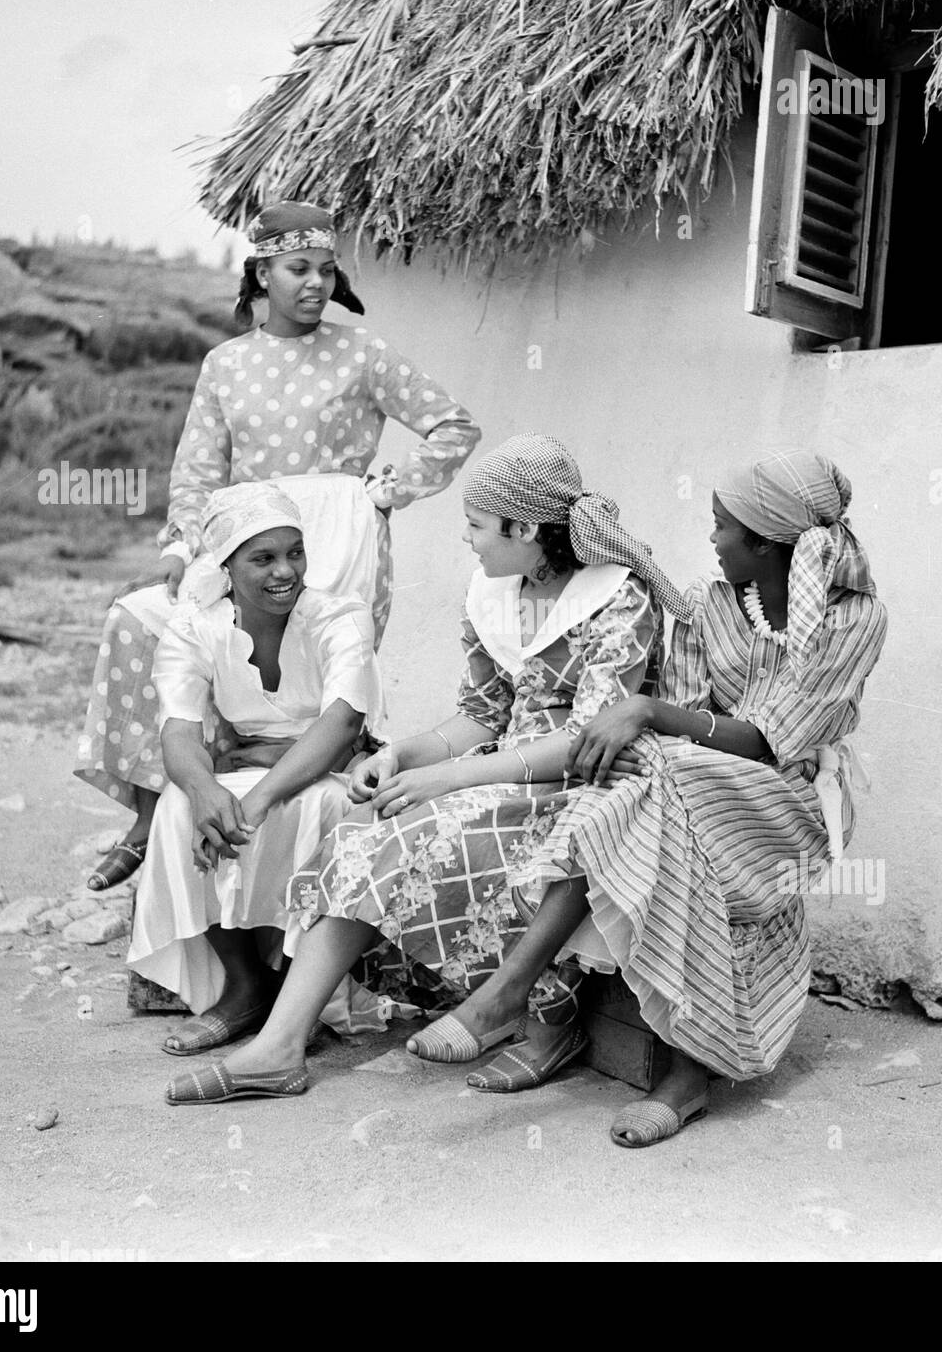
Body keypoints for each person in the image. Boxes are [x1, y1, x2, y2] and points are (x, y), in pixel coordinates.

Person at [163, 433, 691, 1104]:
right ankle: (279, 1047)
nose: (467, 539)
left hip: (584, 786)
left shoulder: (618, 598)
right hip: (502, 773)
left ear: (524, 526)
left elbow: (589, 742)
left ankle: (530, 1018)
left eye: (476, 524)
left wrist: (448, 779)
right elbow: (480, 715)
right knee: (364, 834)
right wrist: (402, 755)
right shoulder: (496, 592)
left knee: (421, 827)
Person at [457, 447, 889, 1146]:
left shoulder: (853, 620)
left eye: (723, 527)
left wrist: (648, 713)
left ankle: (515, 990)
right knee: (652, 777)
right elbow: (686, 710)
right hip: (691, 781)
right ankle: (672, 1074)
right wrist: (654, 721)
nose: (711, 540)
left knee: (652, 765)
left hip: (791, 799)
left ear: (770, 541)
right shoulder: (709, 603)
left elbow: (772, 740)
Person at [75, 201, 481, 891]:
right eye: (298, 269)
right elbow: (200, 471)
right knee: (142, 620)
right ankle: (153, 817)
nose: (316, 284)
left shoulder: (362, 352)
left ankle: (283, 850)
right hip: (242, 540)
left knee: (303, 668)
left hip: (337, 543)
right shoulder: (225, 365)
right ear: (262, 272)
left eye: (326, 269)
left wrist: (390, 488)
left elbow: (453, 425)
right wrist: (180, 547)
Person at [127, 481, 395, 1054]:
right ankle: (244, 985)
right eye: (263, 558)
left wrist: (259, 795)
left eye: (294, 552)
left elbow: (342, 724)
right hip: (249, 761)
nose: (285, 572)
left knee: (325, 804)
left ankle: (292, 992)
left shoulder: (340, 616)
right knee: (180, 808)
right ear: (225, 565)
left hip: (332, 764)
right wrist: (202, 788)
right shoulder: (195, 626)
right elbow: (178, 731)